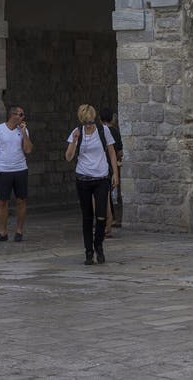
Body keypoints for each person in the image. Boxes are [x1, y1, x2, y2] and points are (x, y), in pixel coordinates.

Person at [66, 104, 119, 265]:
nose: (89, 126)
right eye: (86, 123)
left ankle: (99, 245)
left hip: (101, 178)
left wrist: (115, 173)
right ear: (81, 121)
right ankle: (89, 252)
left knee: (101, 216)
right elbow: (68, 157)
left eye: (91, 122)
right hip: (83, 179)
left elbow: (111, 152)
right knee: (87, 217)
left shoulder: (104, 131)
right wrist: (73, 142)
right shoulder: (76, 133)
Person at [0, 105, 33, 242]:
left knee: (21, 200)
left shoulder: (23, 130)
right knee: (2, 201)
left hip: (20, 169)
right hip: (4, 170)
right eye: (21, 114)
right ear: (13, 115)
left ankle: (19, 231)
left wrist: (24, 132)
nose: (23, 117)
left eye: (23, 115)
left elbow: (28, 150)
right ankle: (3, 232)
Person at [100, 107, 124, 230]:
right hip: (112, 165)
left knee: (105, 194)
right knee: (110, 193)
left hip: (102, 165)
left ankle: (107, 219)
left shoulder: (99, 131)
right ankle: (112, 218)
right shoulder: (115, 131)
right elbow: (119, 150)